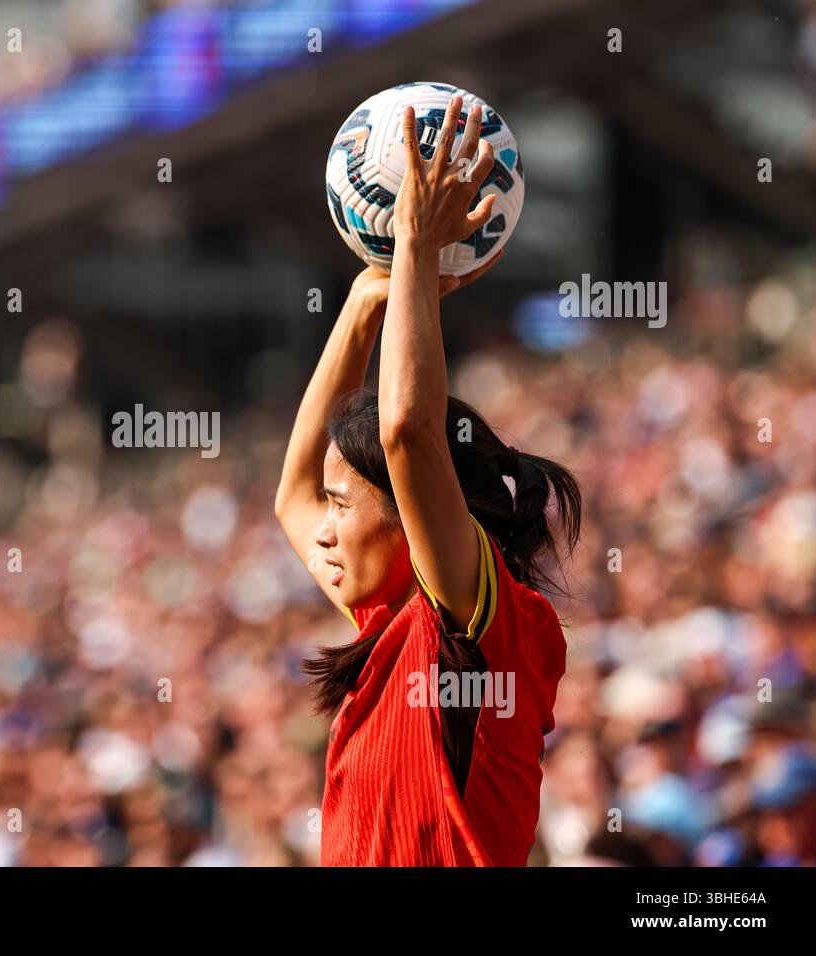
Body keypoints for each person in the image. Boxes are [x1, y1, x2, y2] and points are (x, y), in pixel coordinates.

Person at [275, 97, 581, 866]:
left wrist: (414, 244)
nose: (322, 525)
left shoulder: (493, 624)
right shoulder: (391, 620)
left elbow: (409, 431)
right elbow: (293, 496)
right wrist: (362, 303)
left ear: (409, 516)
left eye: (344, 504)